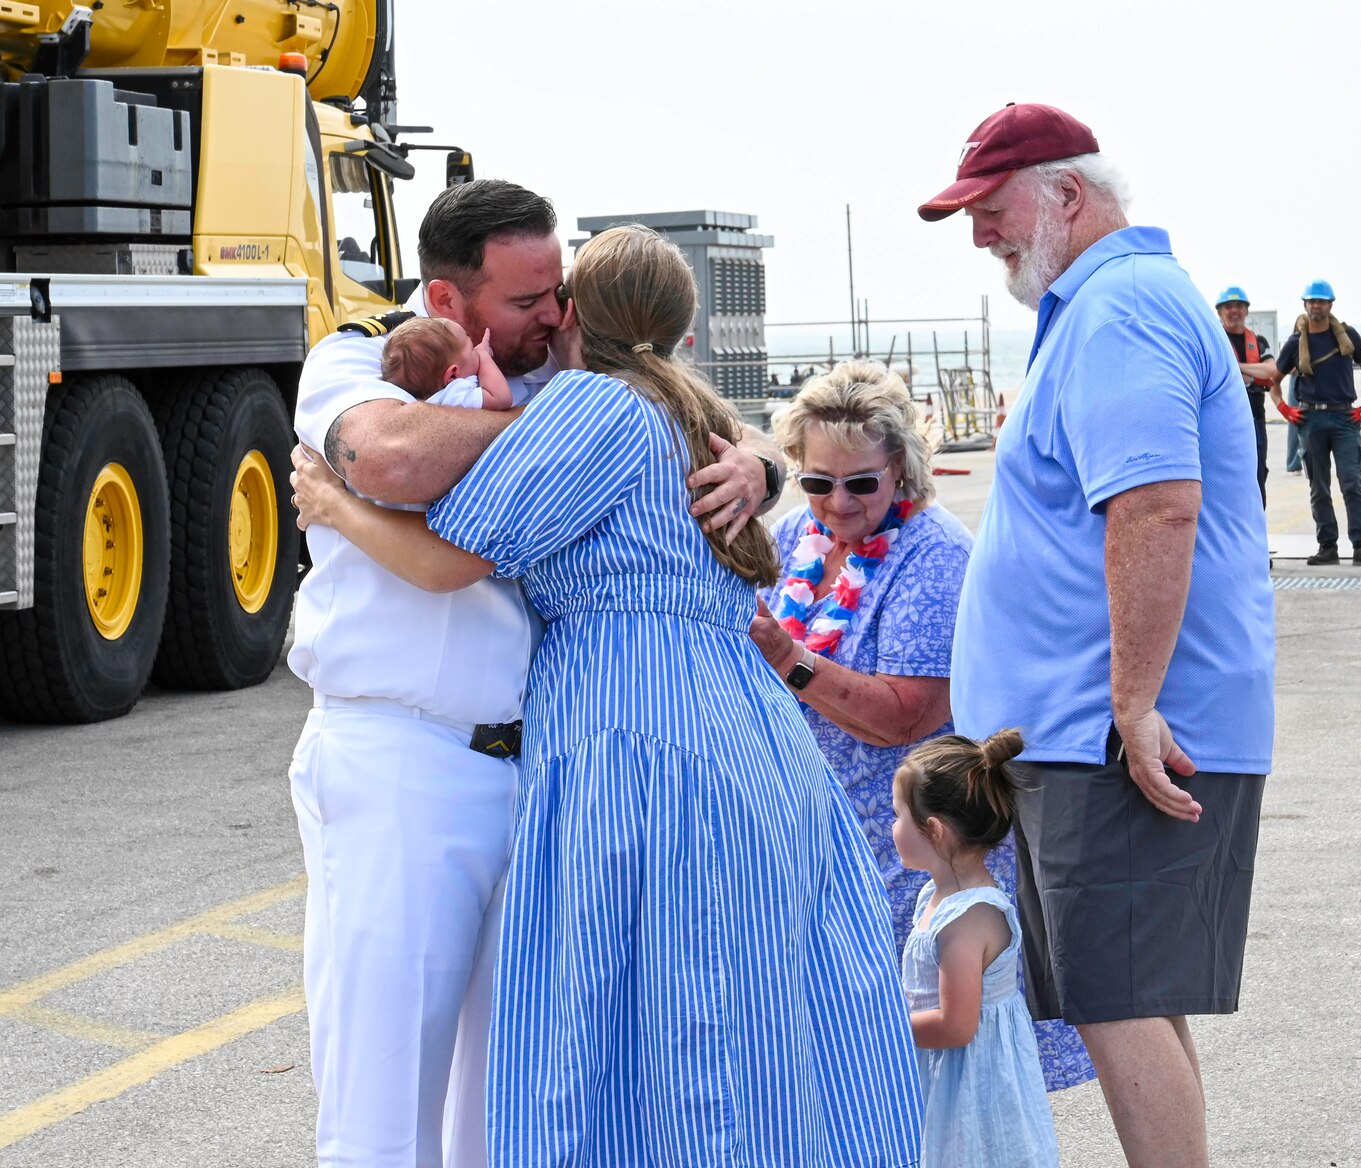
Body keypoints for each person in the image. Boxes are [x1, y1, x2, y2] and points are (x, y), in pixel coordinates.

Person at [293, 223, 922, 1165]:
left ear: (582, 310)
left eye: (557, 300)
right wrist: (756, 459)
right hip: (733, 736)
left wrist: (333, 506)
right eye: (525, 301)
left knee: (646, 1027)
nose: (545, 319)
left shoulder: (591, 406)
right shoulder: (649, 403)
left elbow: (445, 557)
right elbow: (387, 448)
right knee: (730, 1017)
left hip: (634, 734)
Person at [919, 102, 1275, 1168]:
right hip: (1090, 728)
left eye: (987, 208)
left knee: (1115, 997)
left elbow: (1156, 507)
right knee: (1129, 995)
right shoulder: (1101, 308)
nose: (977, 233)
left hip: (1105, 732)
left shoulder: (1117, 309)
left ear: (1065, 195)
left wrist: (1129, 704)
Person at [751, 359, 1094, 1090]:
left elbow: (906, 714)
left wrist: (790, 658)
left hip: (909, 848)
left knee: (920, 1072)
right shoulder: (794, 540)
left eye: (860, 484)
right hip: (822, 836)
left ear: (901, 470)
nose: (836, 503)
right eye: (816, 481)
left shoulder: (933, 556)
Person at [894, 731, 1061, 1168]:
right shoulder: (938, 896)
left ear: (934, 830)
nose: (893, 829)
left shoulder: (967, 921)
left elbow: (956, 1026)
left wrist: (880, 1026)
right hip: (950, 1072)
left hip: (974, 1081)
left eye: (898, 817)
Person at [1270, 280, 1361, 567]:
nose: (1316, 306)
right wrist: (1284, 408)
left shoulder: (1347, 336)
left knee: (1352, 482)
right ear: (1305, 305)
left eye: (1321, 301)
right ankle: (1327, 546)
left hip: (1344, 418)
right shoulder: (1296, 342)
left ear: (1330, 304)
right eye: (1311, 301)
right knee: (1318, 487)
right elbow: (1273, 381)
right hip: (1311, 419)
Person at [1214, 286, 1278, 506]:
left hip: (1255, 419)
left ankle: (1257, 529)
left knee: (1258, 473)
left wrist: (1237, 367)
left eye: (1239, 306)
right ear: (1220, 312)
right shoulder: (1215, 341)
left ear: (1246, 311)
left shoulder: (1258, 342)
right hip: (1223, 421)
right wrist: (1251, 371)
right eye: (1229, 307)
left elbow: (1271, 371)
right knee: (1224, 477)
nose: (1235, 311)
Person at [380, 315, 514, 409]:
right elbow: (500, 398)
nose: (476, 348)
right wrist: (484, 356)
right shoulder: (454, 396)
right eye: (472, 347)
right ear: (452, 375)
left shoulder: (431, 402)